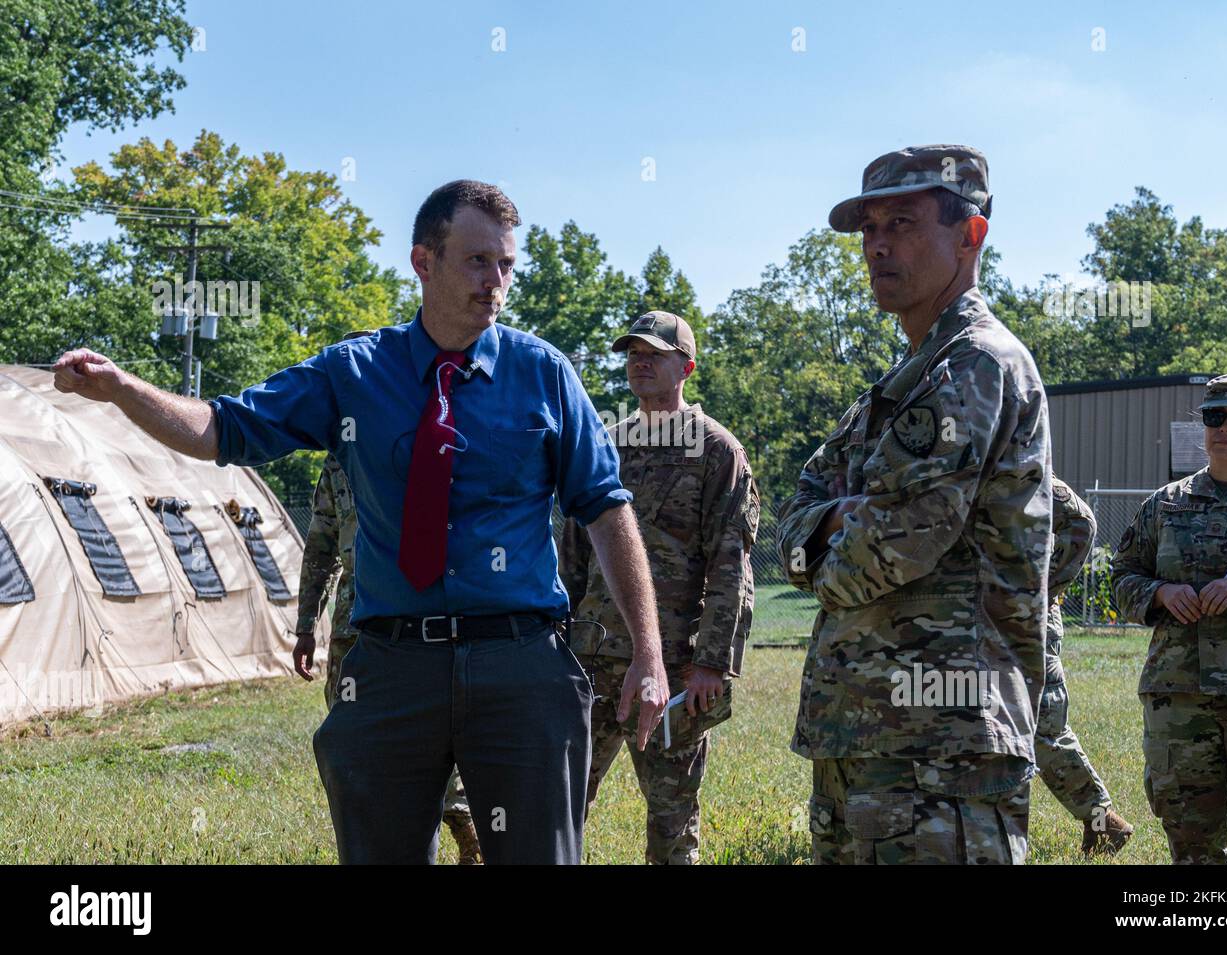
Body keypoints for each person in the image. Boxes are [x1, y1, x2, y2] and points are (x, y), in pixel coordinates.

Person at [51, 179, 670, 865]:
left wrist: (648, 650)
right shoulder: (354, 373)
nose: (495, 282)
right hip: (392, 669)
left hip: (521, 664)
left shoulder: (544, 374)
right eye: (476, 261)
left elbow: (607, 509)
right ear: (423, 261)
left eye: (506, 265)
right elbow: (221, 429)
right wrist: (120, 387)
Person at [776, 144, 1052, 864]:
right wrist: (837, 519)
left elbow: (879, 553)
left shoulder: (977, 365)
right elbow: (795, 516)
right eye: (868, 229)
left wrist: (835, 533)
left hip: (941, 750)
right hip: (864, 738)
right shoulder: (904, 381)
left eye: (901, 221)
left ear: (971, 234)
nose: (877, 245)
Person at [559, 311, 759, 864]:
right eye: (632, 353)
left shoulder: (716, 451)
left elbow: (731, 563)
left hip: (672, 668)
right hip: (592, 658)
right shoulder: (605, 445)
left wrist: (712, 664)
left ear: (686, 367)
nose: (640, 362)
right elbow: (572, 556)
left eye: (655, 353)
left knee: (672, 824)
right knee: (559, 808)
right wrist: (557, 644)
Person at [1112, 372, 1227, 864]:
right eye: (1213, 417)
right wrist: (1160, 593)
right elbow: (1123, 576)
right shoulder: (1166, 504)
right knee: (1193, 850)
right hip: (1178, 697)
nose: (1224, 428)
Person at [296, 419, 481, 865]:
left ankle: (469, 833)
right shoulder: (338, 460)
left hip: (416, 617)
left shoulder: (425, 442)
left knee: (432, 734)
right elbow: (321, 543)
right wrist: (306, 622)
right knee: (354, 740)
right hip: (352, 625)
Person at [1039, 475, 1133, 855]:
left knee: (1039, 728)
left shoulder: (1010, 456)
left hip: (1025, 622)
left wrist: (1038, 592)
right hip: (970, 619)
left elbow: (1080, 521)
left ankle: (1103, 821)